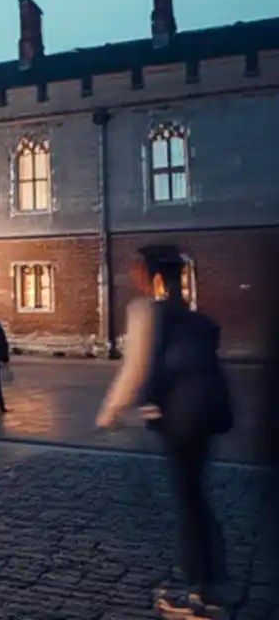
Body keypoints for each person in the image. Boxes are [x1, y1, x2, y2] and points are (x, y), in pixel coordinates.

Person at [96, 245, 232, 619]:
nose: (135, 276)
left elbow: (136, 367)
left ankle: (200, 597)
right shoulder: (194, 317)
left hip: (180, 421)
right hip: (206, 418)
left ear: (151, 274)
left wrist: (111, 412)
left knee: (189, 503)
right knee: (196, 498)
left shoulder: (146, 311)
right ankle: (210, 583)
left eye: (139, 270)